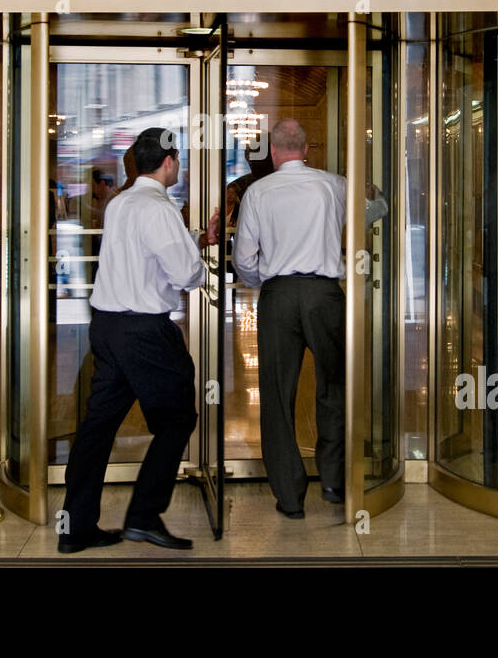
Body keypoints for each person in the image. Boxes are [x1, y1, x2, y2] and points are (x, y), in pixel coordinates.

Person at [58, 127, 219, 553]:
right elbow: (186, 274)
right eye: (178, 158)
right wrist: (198, 260)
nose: (179, 165)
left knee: (97, 428)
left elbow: (144, 252)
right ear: (168, 162)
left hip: (107, 326)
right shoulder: (159, 208)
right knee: (178, 419)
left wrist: (195, 239)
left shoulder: (121, 203)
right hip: (145, 332)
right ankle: (143, 517)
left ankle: (74, 529)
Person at [232, 119, 386, 518]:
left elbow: (244, 259)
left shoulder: (257, 192)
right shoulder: (334, 185)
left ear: (272, 152)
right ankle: (334, 482)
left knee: (278, 395)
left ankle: (289, 497)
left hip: (279, 295)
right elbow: (374, 211)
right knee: (334, 386)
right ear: (306, 149)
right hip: (324, 294)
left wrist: (262, 281)